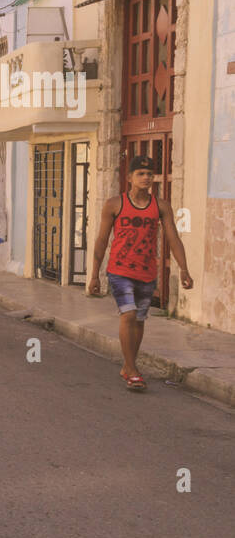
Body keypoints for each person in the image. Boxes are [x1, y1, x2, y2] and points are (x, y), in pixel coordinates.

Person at [88, 155, 193, 391]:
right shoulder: (115, 204)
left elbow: (173, 238)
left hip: (147, 272)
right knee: (128, 315)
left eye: (150, 174)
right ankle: (132, 368)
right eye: (141, 174)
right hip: (119, 270)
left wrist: (184, 268)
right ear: (130, 178)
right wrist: (95, 275)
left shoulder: (161, 206)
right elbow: (102, 240)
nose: (146, 178)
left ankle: (129, 366)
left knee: (139, 320)